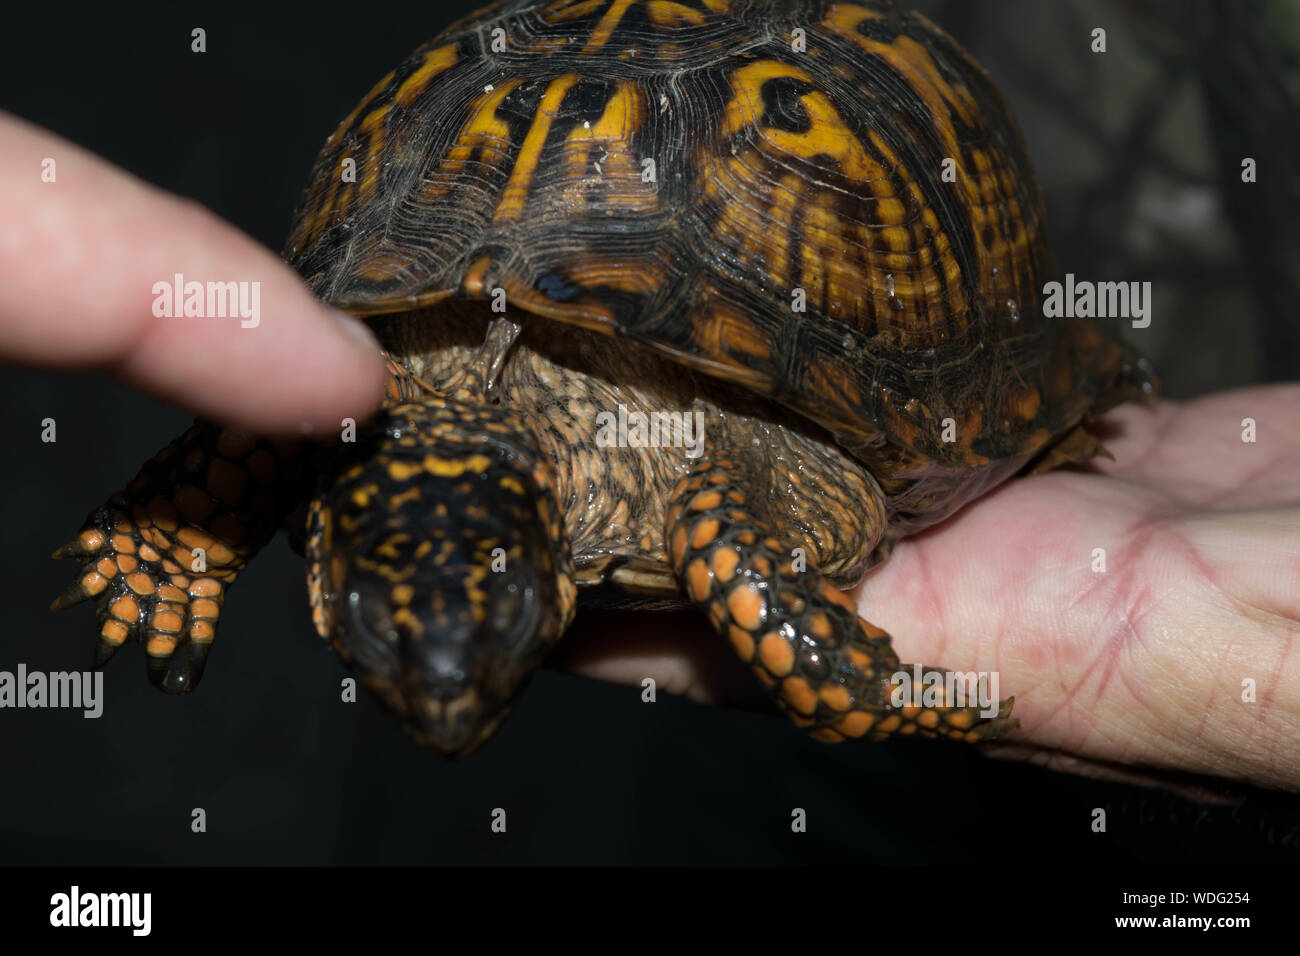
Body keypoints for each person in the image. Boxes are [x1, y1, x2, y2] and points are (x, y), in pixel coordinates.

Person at [6, 113, 1298, 791]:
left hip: (779, 412)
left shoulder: (704, 470)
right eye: (391, 628)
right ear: (332, 548)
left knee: (743, 572)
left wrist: (872, 683)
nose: (451, 679)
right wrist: (171, 533)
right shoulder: (348, 396)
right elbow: (253, 432)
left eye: (495, 611)